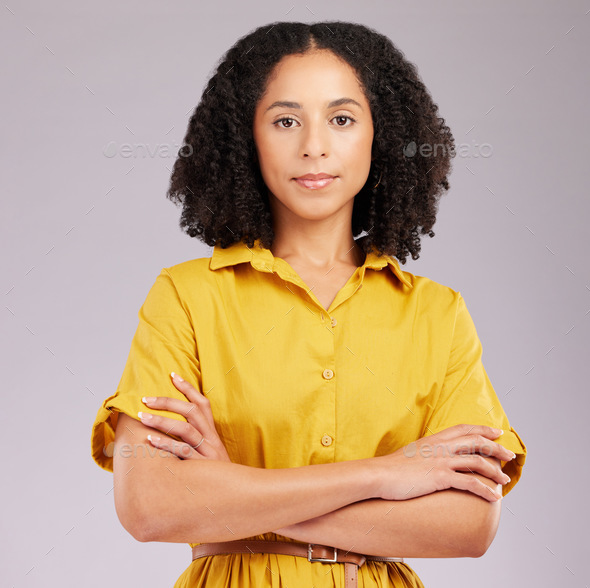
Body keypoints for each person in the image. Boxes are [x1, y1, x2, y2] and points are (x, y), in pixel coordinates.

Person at [90, 20, 527, 588]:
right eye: (286, 120)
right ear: (246, 137)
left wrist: (233, 492)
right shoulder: (186, 296)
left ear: (382, 135)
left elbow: (468, 526)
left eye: (341, 119)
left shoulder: (438, 315)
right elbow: (149, 506)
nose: (313, 145)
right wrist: (386, 475)